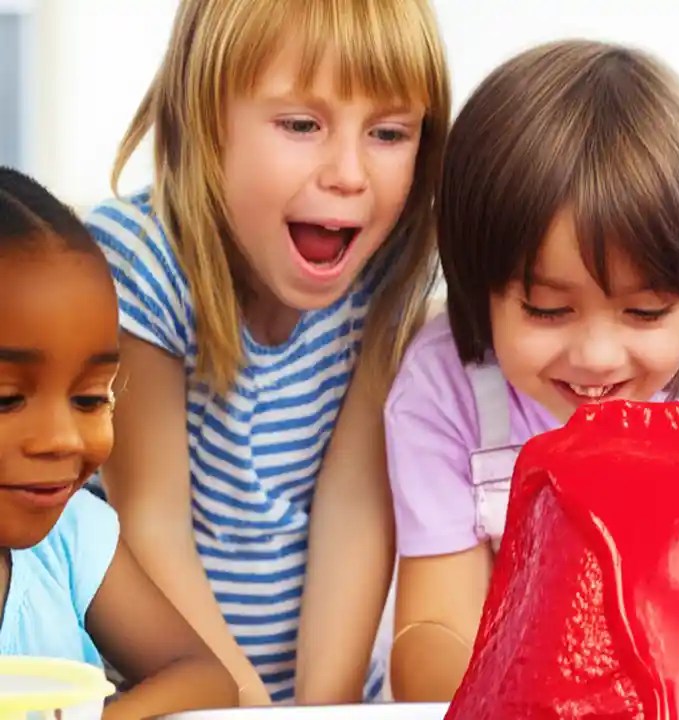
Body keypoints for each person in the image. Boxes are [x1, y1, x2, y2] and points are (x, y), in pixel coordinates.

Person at [385, 39, 679, 700]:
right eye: (548, 310)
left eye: (645, 311)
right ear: (473, 283)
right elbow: (436, 640)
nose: (598, 357)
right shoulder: (445, 389)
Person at [83, 0, 450, 703]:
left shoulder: (391, 268)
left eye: (389, 132)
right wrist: (253, 714)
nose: (349, 173)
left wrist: (321, 713)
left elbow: (355, 507)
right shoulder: (142, 262)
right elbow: (153, 524)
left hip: (329, 694)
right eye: (302, 125)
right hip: (167, 695)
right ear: (207, 117)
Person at [0, 167, 237, 717]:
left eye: (89, 399)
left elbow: (203, 676)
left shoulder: (70, 536)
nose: (62, 440)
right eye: (7, 398)